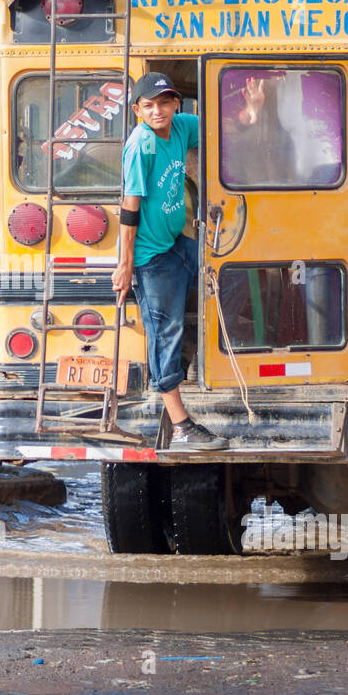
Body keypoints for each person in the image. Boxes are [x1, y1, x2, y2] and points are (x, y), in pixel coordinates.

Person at [112, 72, 227, 449]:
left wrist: (252, 104)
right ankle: (180, 424)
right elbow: (129, 209)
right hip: (149, 256)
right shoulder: (141, 145)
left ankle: (197, 357)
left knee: (227, 274)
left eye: (164, 103)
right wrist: (125, 264)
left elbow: (224, 120)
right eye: (149, 105)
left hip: (177, 242)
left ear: (177, 104)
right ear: (137, 111)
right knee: (165, 331)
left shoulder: (182, 127)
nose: (158, 111)